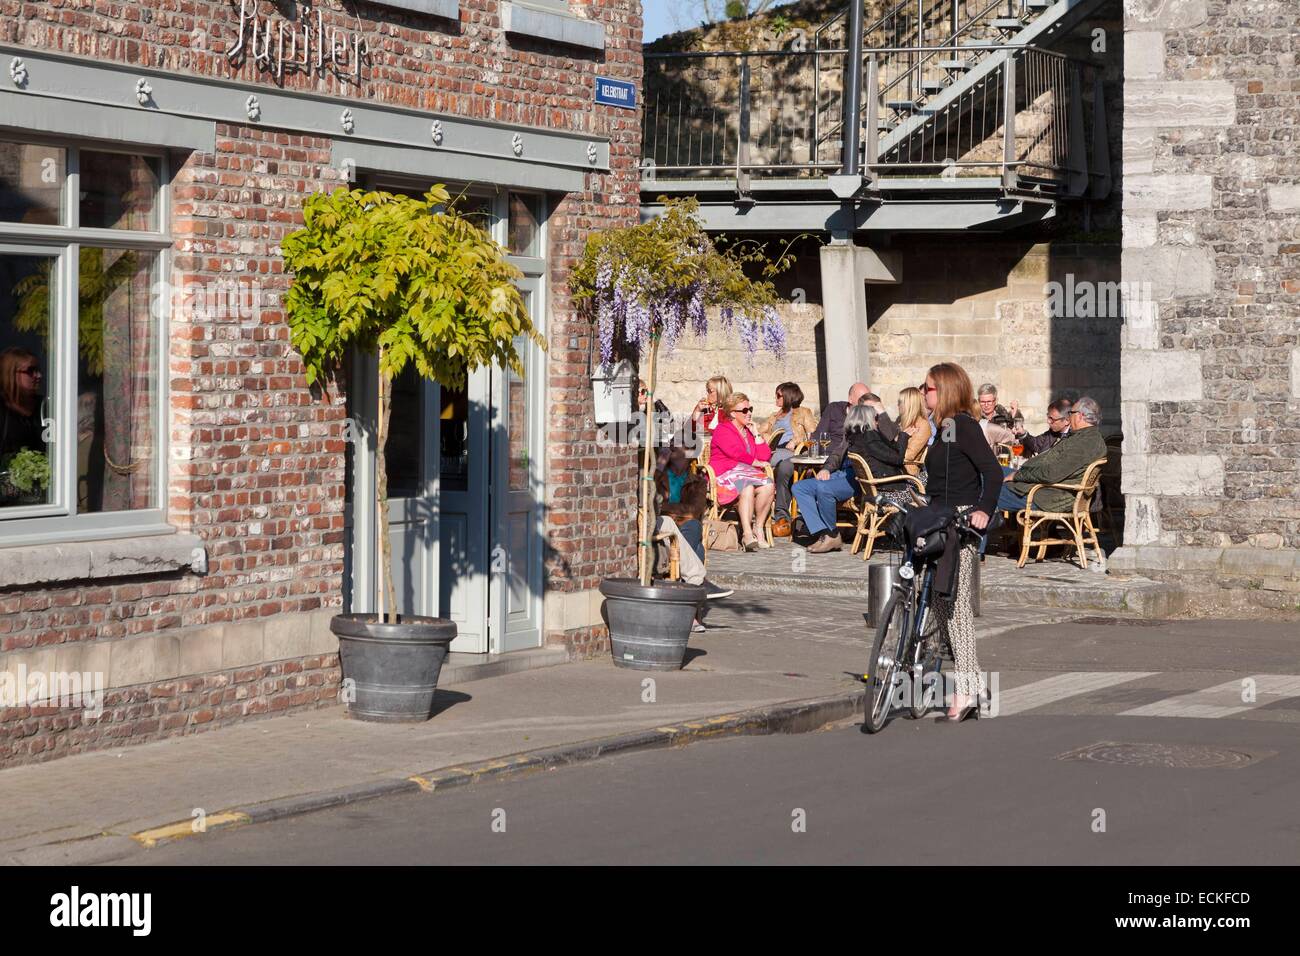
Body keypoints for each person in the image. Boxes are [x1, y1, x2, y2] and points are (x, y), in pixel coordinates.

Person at [923, 363, 1003, 723]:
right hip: (936, 519)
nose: (924, 393)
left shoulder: (964, 426)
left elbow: (992, 470)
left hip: (961, 524)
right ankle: (974, 683)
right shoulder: (942, 430)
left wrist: (983, 510)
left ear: (946, 390)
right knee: (939, 605)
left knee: (955, 609)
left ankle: (967, 688)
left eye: (929, 388)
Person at [652, 447, 733, 630]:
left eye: (683, 445)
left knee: (694, 525)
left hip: (685, 527)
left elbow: (693, 512)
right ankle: (694, 616)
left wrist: (668, 508)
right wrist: (659, 467)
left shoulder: (697, 482)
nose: (673, 447)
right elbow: (651, 503)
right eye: (672, 444)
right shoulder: (658, 475)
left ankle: (691, 612)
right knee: (697, 549)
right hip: (665, 529)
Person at [996, 396, 1107, 515]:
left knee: (986, 488)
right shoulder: (1084, 437)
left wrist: (1018, 475)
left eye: (1071, 413)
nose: (1069, 416)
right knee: (992, 471)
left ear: (1080, 416)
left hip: (1046, 497)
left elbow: (1051, 473)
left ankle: (983, 527)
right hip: (1045, 489)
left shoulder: (1085, 442)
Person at [707, 392, 775, 551]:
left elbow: (765, 455)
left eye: (750, 408)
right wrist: (755, 462)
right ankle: (747, 534)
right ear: (732, 414)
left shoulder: (748, 431)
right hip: (724, 474)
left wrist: (756, 433)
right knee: (748, 486)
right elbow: (735, 453)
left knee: (768, 485)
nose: (749, 413)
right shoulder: (722, 429)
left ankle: (758, 529)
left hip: (744, 472)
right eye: (744, 410)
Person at [758, 381, 818, 537]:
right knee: (757, 467)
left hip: (795, 452)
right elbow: (758, 432)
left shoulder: (803, 412)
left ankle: (781, 517)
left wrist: (797, 441)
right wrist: (764, 436)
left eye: (779, 395)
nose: (776, 398)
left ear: (788, 396)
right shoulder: (774, 416)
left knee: (785, 467)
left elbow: (814, 435)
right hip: (774, 451)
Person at [1, 347, 46, 504]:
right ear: (10, 374)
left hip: (44, 496)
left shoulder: (46, 407)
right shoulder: (2, 410)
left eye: (38, 370)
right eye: (30, 371)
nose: (38, 375)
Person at [894, 386, 931, 479]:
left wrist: (887, 454)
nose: (897, 405)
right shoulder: (900, 421)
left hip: (907, 474)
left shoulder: (923, 425)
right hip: (895, 468)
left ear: (909, 404)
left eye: (900, 402)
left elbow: (909, 455)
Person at [976, 382, 1019, 451]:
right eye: (983, 402)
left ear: (995, 401)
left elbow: (1016, 441)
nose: (986, 405)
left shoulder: (1005, 418)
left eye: (989, 401)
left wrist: (1015, 418)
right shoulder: (974, 419)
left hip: (1003, 458)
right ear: (978, 401)